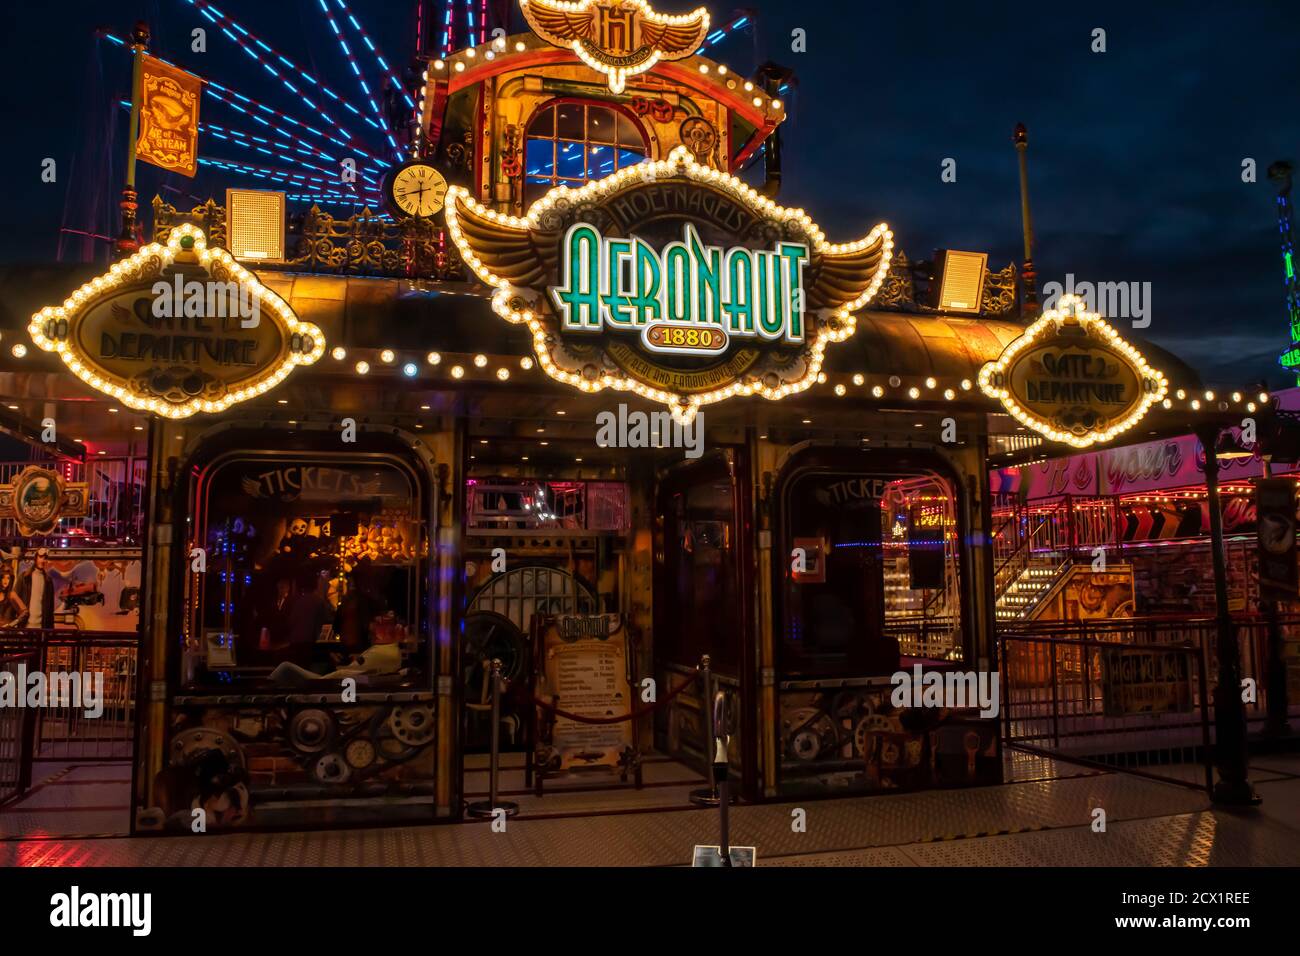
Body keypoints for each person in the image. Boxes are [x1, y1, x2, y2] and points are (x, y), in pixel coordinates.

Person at [16, 548, 56, 629]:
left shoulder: (48, 581)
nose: (43, 560)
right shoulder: (24, 577)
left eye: (45, 558)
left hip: (41, 628)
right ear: (36, 558)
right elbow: (15, 598)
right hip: (24, 626)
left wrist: (50, 629)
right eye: (40, 557)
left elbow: (50, 608)